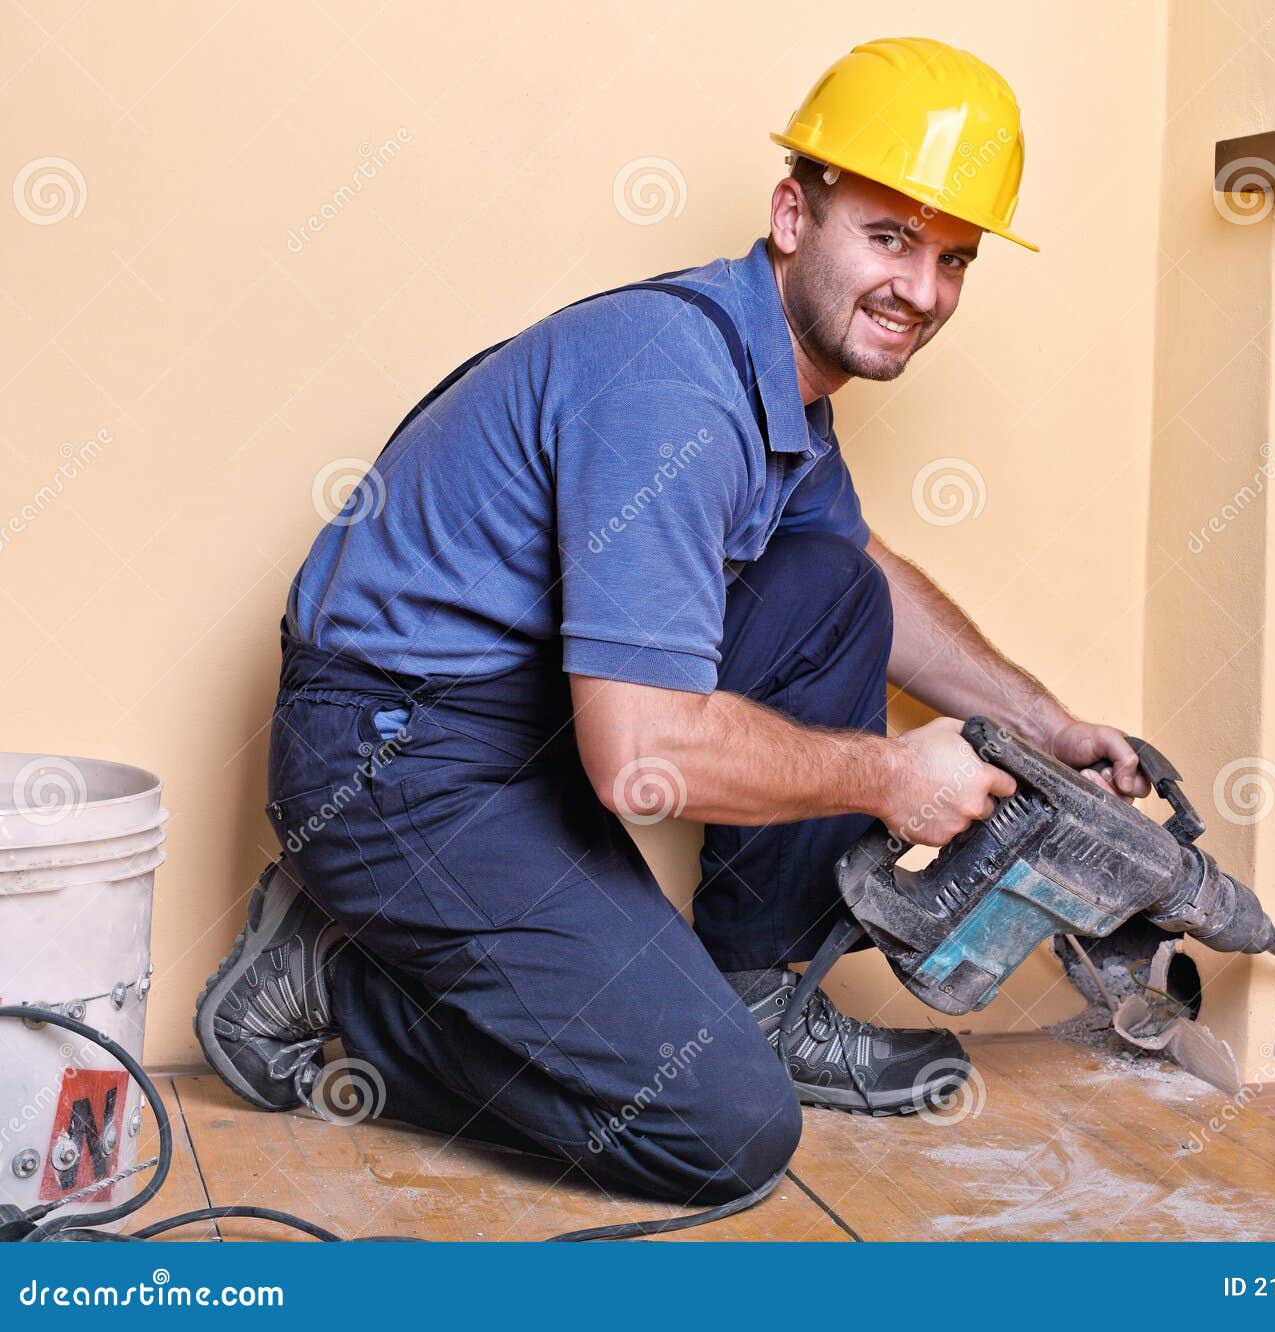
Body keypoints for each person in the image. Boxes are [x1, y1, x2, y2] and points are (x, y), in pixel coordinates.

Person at [195, 36, 1149, 1206]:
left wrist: (1042, 726)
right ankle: (341, 982)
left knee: (830, 586)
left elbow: (860, 574)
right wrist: (892, 775)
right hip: (393, 758)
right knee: (720, 1129)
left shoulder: (774, 374)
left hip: (517, 709)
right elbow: (641, 754)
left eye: (955, 257)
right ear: (792, 214)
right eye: (891, 238)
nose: (924, 291)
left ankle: (761, 991)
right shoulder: (674, 391)